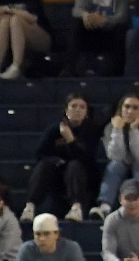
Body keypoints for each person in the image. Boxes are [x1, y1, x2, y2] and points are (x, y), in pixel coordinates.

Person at [27, 94, 100, 223]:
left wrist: (71, 141)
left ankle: (77, 207)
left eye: (82, 107)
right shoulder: (54, 129)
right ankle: (30, 206)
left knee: (74, 165)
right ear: (66, 110)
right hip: (57, 175)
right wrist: (58, 162)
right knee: (45, 164)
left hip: (81, 175)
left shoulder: (91, 131)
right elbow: (40, 154)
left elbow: (88, 159)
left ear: (87, 112)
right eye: (74, 106)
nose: (78, 110)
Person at [98, 96, 139, 213]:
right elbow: (114, 156)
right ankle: (105, 206)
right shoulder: (110, 127)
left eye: (135, 108)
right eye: (127, 107)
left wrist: (134, 130)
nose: (130, 111)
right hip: (123, 172)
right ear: (121, 109)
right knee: (115, 165)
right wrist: (117, 131)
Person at [66, 0, 130, 76]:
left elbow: (122, 16)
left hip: (110, 29)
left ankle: (117, 73)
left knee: (121, 29)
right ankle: (70, 70)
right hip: (90, 27)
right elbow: (76, 10)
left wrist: (105, 20)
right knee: (76, 25)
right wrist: (86, 15)